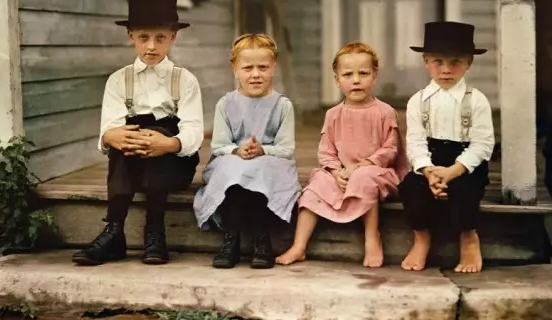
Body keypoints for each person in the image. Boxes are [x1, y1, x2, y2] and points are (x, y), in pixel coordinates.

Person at [72, 0, 204, 266]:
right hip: (130, 162)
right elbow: (108, 129)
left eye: (160, 38)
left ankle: (154, 229)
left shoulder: (185, 80)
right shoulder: (119, 80)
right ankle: (114, 231)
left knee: (156, 130)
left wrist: (169, 144)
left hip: (173, 163)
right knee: (125, 137)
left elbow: (193, 130)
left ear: (172, 37)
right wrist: (112, 136)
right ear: (131, 36)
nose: (151, 46)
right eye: (143, 37)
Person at [276, 42, 408, 268]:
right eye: (348, 74)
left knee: (364, 177)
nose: (356, 80)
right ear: (337, 79)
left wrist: (363, 165)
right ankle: (299, 246)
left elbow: (390, 149)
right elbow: (326, 150)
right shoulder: (333, 114)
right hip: (342, 174)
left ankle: (371, 237)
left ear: (374, 76)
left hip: (379, 174)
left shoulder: (385, 112)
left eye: (363, 73)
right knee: (316, 183)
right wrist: (335, 171)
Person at [193, 33, 301, 269]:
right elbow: (219, 145)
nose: (255, 74)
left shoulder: (282, 106)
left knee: (259, 170)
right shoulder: (226, 104)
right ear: (235, 69)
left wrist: (263, 149)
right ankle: (231, 237)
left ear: (274, 67)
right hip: (232, 159)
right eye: (247, 68)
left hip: (270, 161)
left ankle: (261, 238)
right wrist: (237, 150)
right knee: (234, 170)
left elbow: (285, 148)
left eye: (263, 67)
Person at [398, 21, 495, 273]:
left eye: (455, 62)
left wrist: (453, 172)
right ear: (426, 61)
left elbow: (483, 144)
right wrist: (428, 171)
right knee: (411, 188)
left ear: (468, 63)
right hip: (431, 162)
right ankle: (422, 238)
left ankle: (468, 238)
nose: (446, 70)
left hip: (465, 164)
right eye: (438, 62)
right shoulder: (418, 101)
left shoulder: (476, 100)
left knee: (465, 190)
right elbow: (416, 142)